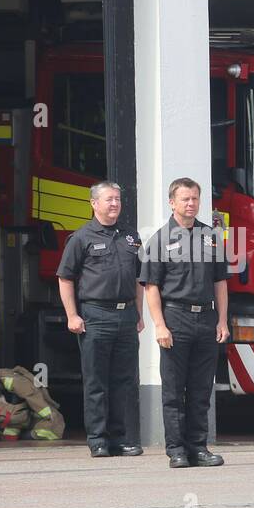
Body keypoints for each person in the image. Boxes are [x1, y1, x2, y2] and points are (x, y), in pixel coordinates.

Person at [140, 178, 229, 468]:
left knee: (202, 389)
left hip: (206, 318)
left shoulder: (211, 237)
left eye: (195, 199)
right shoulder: (160, 239)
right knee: (174, 390)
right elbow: (151, 286)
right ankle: (176, 450)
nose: (191, 204)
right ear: (172, 202)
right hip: (175, 319)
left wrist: (222, 321)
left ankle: (199, 448)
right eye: (185, 199)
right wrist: (160, 325)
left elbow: (220, 282)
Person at [57, 181, 144, 457]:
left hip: (126, 315)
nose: (115, 204)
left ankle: (120, 439)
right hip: (95, 315)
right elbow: (65, 278)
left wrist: (140, 314)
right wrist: (72, 315)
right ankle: (98, 440)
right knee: (97, 381)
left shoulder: (131, 237)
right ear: (94, 203)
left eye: (118, 199)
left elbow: (140, 280)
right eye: (109, 199)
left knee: (124, 381)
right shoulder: (81, 238)